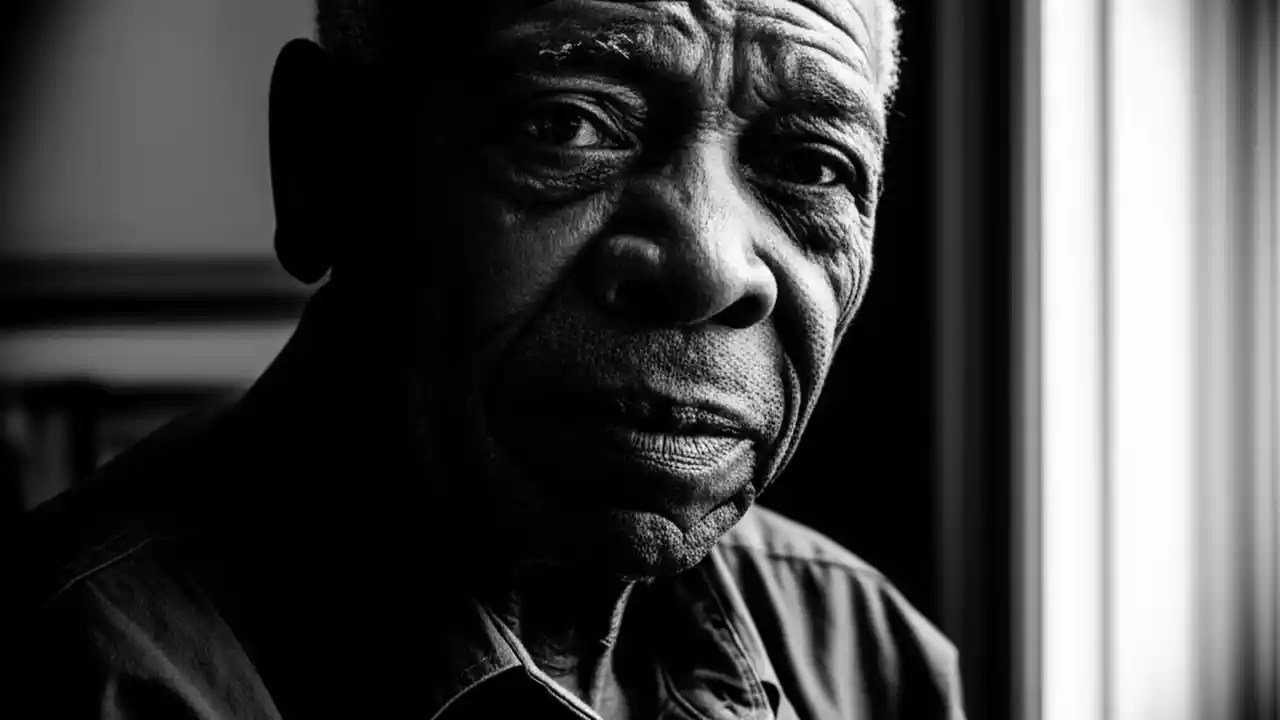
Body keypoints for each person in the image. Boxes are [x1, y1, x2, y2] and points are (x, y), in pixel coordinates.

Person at [15, 1, 967, 717]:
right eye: (566, 125)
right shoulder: (78, 672)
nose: (711, 265)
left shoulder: (866, 659)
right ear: (322, 162)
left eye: (812, 165)